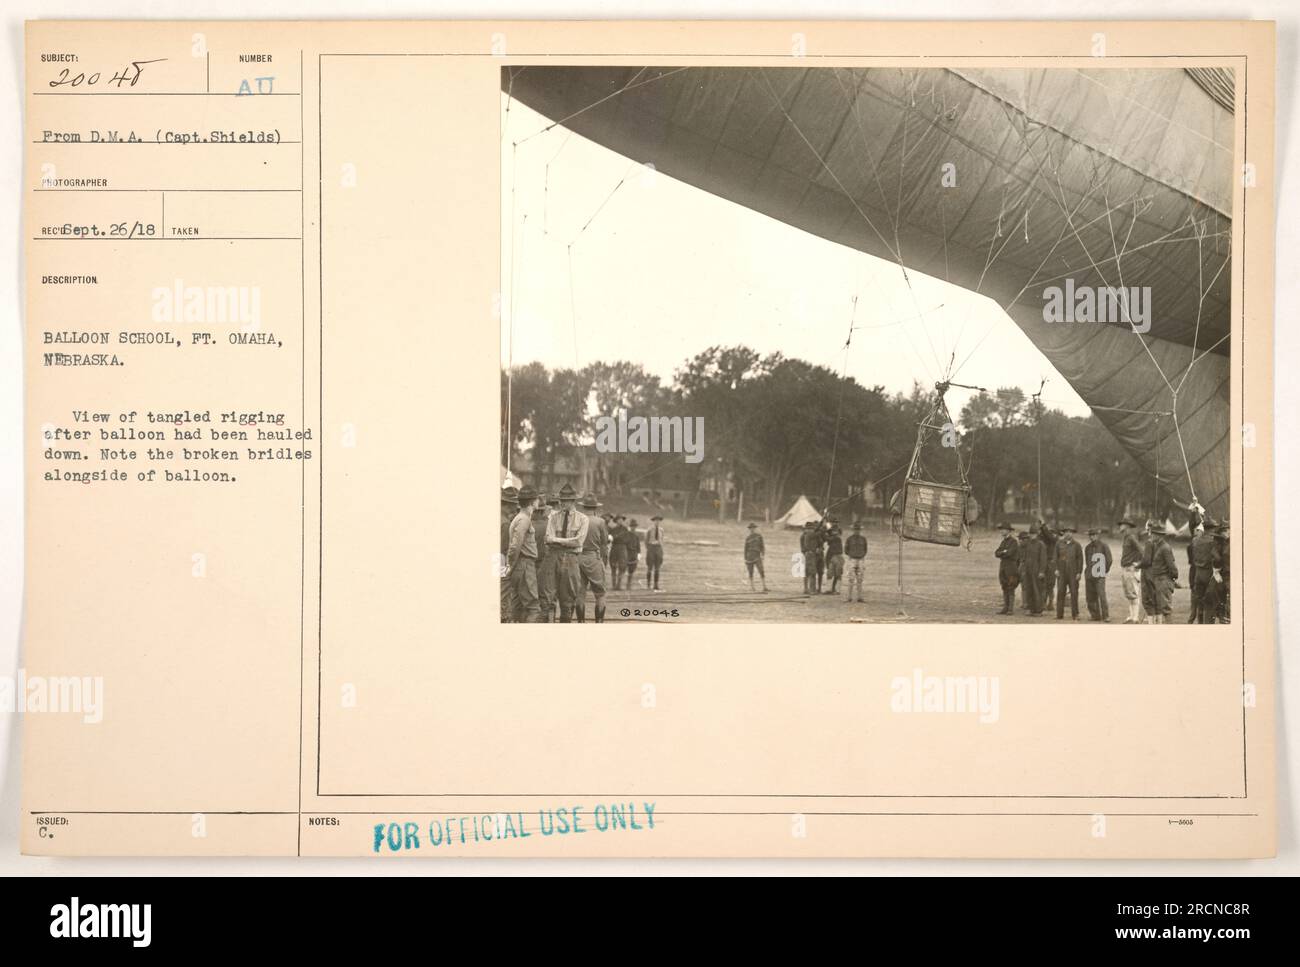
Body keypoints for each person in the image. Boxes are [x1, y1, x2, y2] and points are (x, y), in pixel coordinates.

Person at [544, 482, 588, 622]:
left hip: (571, 558)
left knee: (568, 599)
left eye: (566, 501)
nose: (563, 503)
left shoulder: (582, 519)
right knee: (548, 597)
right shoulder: (553, 517)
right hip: (553, 557)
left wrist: (556, 540)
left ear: (573, 501)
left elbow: (578, 542)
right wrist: (565, 541)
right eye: (561, 500)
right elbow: (547, 539)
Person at [506, 485, 542, 623]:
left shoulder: (519, 518)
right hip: (525, 565)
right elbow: (515, 546)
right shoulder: (524, 520)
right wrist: (512, 564)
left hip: (521, 565)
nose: (538, 502)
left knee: (518, 605)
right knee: (533, 608)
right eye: (537, 499)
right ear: (532, 502)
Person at [576, 493, 609, 622]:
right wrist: (604, 562)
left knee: (580, 593)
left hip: (578, 557)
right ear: (595, 508)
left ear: (584, 507)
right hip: (593, 558)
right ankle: (599, 622)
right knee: (600, 593)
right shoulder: (600, 522)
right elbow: (604, 544)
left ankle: (580, 622)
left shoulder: (578, 520)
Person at [1145, 523, 1179, 623]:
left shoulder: (1165, 548)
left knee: (1166, 610)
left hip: (1163, 580)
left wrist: (1172, 580)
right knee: (1162, 608)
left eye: (1153, 534)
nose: (1151, 536)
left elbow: (1172, 567)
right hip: (1159, 581)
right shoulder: (1158, 546)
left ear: (1158, 536)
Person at [531, 493, 555, 622]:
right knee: (545, 592)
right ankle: (545, 618)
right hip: (546, 562)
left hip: (530, 563)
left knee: (530, 593)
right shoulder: (549, 525)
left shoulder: (527, 523)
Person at [1116, 518, 1145, 623]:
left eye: (1122, 524)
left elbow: (1142, 551)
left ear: (1127, 526)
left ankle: (1135, 618)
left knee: (1133, 593)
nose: (1120, 526)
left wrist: (1138, 564)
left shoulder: (1131, 537)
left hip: (1131, 569)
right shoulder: (1127, 537)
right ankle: (1132, 616)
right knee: (1129, 593)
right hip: (1126, 568)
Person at [1188, 521, 1216, 624]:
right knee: (1209, 603)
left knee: (1199, 602)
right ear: (1212, 529)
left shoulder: (1195, 540)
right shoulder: (1213, 541)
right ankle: (1208, 625)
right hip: (1208, 573)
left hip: (1198, 574)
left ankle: (1200, 624)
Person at [1054, 526, 1083, 620]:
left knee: (1074, 593)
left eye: (1070, 532)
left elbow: (1080, 559)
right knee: (1060, 592)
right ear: (1064, 533)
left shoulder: (1077, 545)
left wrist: (1079, 572)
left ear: (1072, 533)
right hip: (1061, 572)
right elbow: (1055, 557)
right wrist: (1056, 569)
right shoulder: (1059, 544)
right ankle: (1059, 614)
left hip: (1073, 573)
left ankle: (1075, 614)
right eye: (1066, 532)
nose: (1068, 534)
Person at [1083, 527, 1113, 622]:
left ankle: (1106, 616)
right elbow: (1087, 561)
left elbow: (1109, 560)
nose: (1092, 537)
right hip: (1089, 574)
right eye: (1091, 535)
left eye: (1094, 535)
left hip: (1100, 574)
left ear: (1097, 535)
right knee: (1090, 596)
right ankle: (1095, 615)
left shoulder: (1104, 546)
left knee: (1101, 595)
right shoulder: (1087, 547)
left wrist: (1104, 570)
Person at [500, 486, 519, 623]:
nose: (514, 509)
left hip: (495, 557)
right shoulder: (506, 523)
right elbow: (505, 547)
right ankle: (503, 616)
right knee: (504, 589)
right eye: (513, 505)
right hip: (501, 558)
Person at [994, 522, 1020, 615]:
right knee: (1004, 586)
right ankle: (1005, 607)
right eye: (1001, 529)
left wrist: (1003, 552)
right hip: (1003, 566)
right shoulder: (1004, 541)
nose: (1001, 531)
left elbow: (1009, 553)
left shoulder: (1013, 542)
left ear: (1008, 531)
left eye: (1003, 529)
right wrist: (1003, 552)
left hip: (1011, 567)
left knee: (1011, 586)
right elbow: (996, 553)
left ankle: (1010, 609)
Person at [1020, 529, 1045, 616]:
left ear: (1037, 534)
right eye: (1031, 534)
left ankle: (1038, 610)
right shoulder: (1028, 544)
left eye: (1033, 534)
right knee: (1029, 590)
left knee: (1037, 590)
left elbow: (1043, 559)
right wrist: (1024, 570)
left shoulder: (1041, 544)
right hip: (1028, 570)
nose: (1032, 535)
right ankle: (1031, 609)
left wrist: (1042, 571)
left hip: (1037, 571)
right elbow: (1024, 557)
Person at [1036, 519, 1057, 612]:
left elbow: (1050, 537)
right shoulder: (1042, 538)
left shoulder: (1053, 539)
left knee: (1050, 584)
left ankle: (1050, 602)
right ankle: (1043, 603)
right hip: (1044, 562)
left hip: (1051, 563)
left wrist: (1043, 525)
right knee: (1043, 584)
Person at [844, 522, 868, 603]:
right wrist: (852, 555)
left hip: (861, 559)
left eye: (858, 530)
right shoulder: (849, 539)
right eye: (855, 529)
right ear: (852, 530)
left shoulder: (863, 539)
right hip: (852, 560)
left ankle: (860, 597)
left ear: (860, 530)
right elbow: (846, 550)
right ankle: (849, 597)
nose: (856, 531)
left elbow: (865, 549)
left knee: (860, 579)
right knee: (850, 579)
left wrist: (861, 556)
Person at [743, 521, 768, 592]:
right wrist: (745, 558)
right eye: (751, 528)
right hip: (749, 557)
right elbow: (745, 549)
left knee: (761, 571)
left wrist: (763, 555)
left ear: (755, 528)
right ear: (749, 529)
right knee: (751, 572)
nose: (752, 529)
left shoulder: (759, 536)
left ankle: (764, 586)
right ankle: (752, 587)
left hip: (757, 556)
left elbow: (762, 546)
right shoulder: (748, 538)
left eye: (753, 528)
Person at [645, 515, 665, 591]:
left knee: (657, 568)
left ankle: (656, 584)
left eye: (659, 520)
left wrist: (661, 550)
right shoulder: (650, 530)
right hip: (651, 548)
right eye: (656, 520)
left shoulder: (661, 530)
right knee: (650, 567)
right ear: (653, 521)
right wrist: (649, 548)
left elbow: (662, 539)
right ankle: (648, 584)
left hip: (658, 548)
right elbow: (646, 540)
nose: (657, 522)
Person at [799, 522, 819, 596]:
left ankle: (806, 589)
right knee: (812, 572)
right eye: (809, 529)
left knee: (806, 572)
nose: (811, 530)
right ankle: (811, 589)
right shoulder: (808, 536)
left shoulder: (804, 536)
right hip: (809, 554)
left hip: (806, 554)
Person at [608, 515, 628, 590]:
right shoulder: (613, 529)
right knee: (613, 565)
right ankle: (613, 585)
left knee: (622, 566)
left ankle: (618, 585)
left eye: (622, 519)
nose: (621, 521)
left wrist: (616, 537)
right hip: (614, 548)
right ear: (616, 521)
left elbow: (626, 538)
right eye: (619, 519)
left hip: (622, 548)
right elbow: (610, 539)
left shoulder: (625, 529)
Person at [824, 524, 844, 595]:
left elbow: (828, 539)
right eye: (833, 531)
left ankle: (837, 590)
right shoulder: (835, 538)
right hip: (833, 557)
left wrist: (825, 532)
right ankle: (830, 589)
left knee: (837, 574)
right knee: (830, 573)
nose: (834, 532)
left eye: (835, 531)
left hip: (837, 556)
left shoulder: (836, 538)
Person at [622, 518, 641, 588]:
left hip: (634, 555)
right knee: (622, 569)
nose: (633, 528)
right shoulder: (626, 535)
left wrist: (638, 556)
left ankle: (628, 584)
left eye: (634, 526)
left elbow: (638, 548)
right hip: (626, 554)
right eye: (632, 526)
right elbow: (623, 544)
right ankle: (619, 584)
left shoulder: (636, 536)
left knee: (631, 570)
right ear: (630, 527)